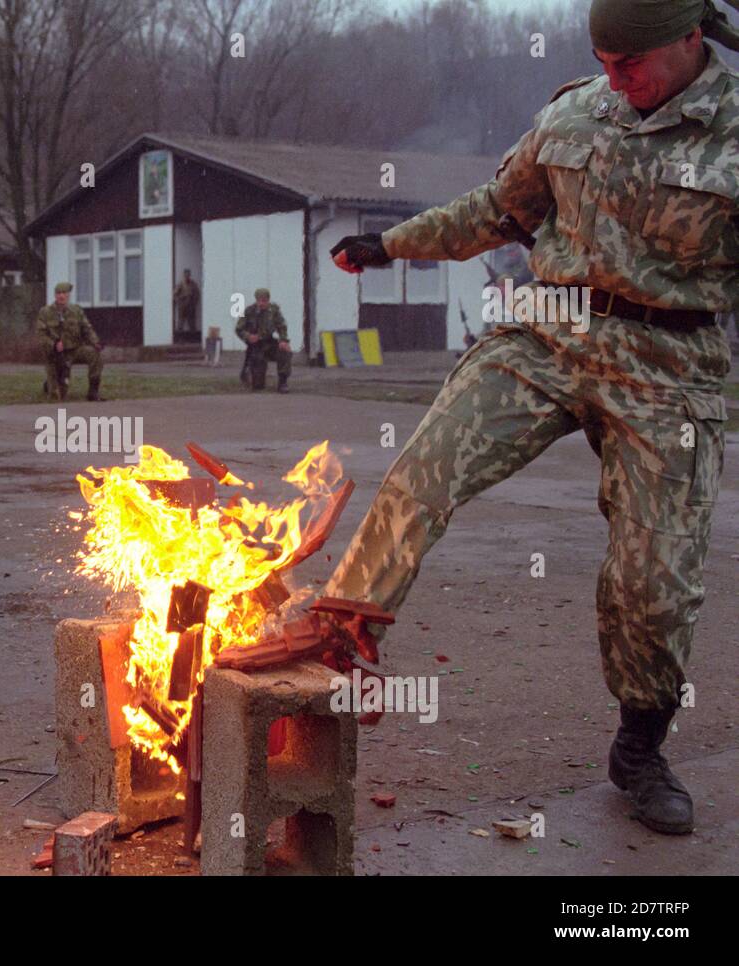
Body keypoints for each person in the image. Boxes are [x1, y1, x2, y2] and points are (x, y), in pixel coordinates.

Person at [325, 0, 738, 837]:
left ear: (691, 41)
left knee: (652, 587)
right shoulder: (574, 111)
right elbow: (495, 211)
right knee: (429, 463)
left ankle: (639, 747)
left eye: (632, 64)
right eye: (604, 61)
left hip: (671, 369)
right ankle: (344, 633)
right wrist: (390, 244)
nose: (616, 80)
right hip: (547, 334)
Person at [35, 282, 105, 401]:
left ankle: (93, 391)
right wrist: (54, 345)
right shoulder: (45, 312)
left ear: (68, 295)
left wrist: (96, 342)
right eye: (58, 293)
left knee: (94, 354)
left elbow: (86, 328)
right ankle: (50, 384)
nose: (61, 296)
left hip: (75, 350)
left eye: (64, 293)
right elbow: (41, 335)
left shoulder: (76, 311)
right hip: (56, 355)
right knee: (58, 396)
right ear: (55, 295)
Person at [236, 287, 292, 392]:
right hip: (255, 346)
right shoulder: (249, 311)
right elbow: (239, 329)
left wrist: (283, 340)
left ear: (268, 300)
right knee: (258, 386)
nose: (261, 303)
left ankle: (283, 382)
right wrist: (248, 336)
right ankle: (249, 376)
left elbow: (281, 326)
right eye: (259, 300)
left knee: (285, 351)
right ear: (256, 300)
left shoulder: (274, 310)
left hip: (269, 342)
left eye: (264, 300)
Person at [173, 268, 201, 336]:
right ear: (184, 275)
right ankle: (179, 338)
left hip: (191, 306)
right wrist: (179, 302)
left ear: (190, 275)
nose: (187, 275)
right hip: (182, 306)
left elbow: (197, 294)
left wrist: (194, 303)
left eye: (188, 274)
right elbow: (175, 294)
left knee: (192, 322)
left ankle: (193, 338)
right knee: (181, 322)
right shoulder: (180, 284)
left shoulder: (193, 284)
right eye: (186, 274)